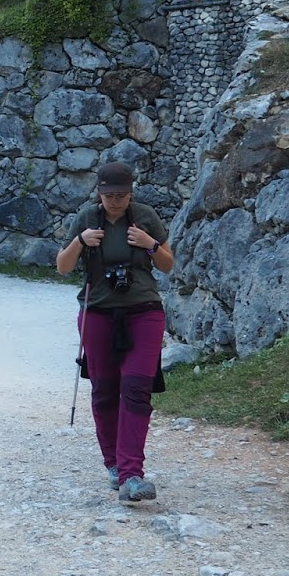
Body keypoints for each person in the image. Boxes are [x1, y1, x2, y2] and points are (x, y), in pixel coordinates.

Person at [55, 160, 174, 502]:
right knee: (105, 391)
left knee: (136, 388)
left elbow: (167, 264)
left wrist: (150, 244)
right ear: (99, 194)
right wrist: (81, 241)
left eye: (122, 195)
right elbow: (63, 267)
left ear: (131, 192)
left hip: (144, 310)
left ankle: (132, 474)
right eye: (109, 196)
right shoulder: (87, 219)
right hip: (97, 312)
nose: (116, 202)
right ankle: (113, 465)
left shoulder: (145, 216)